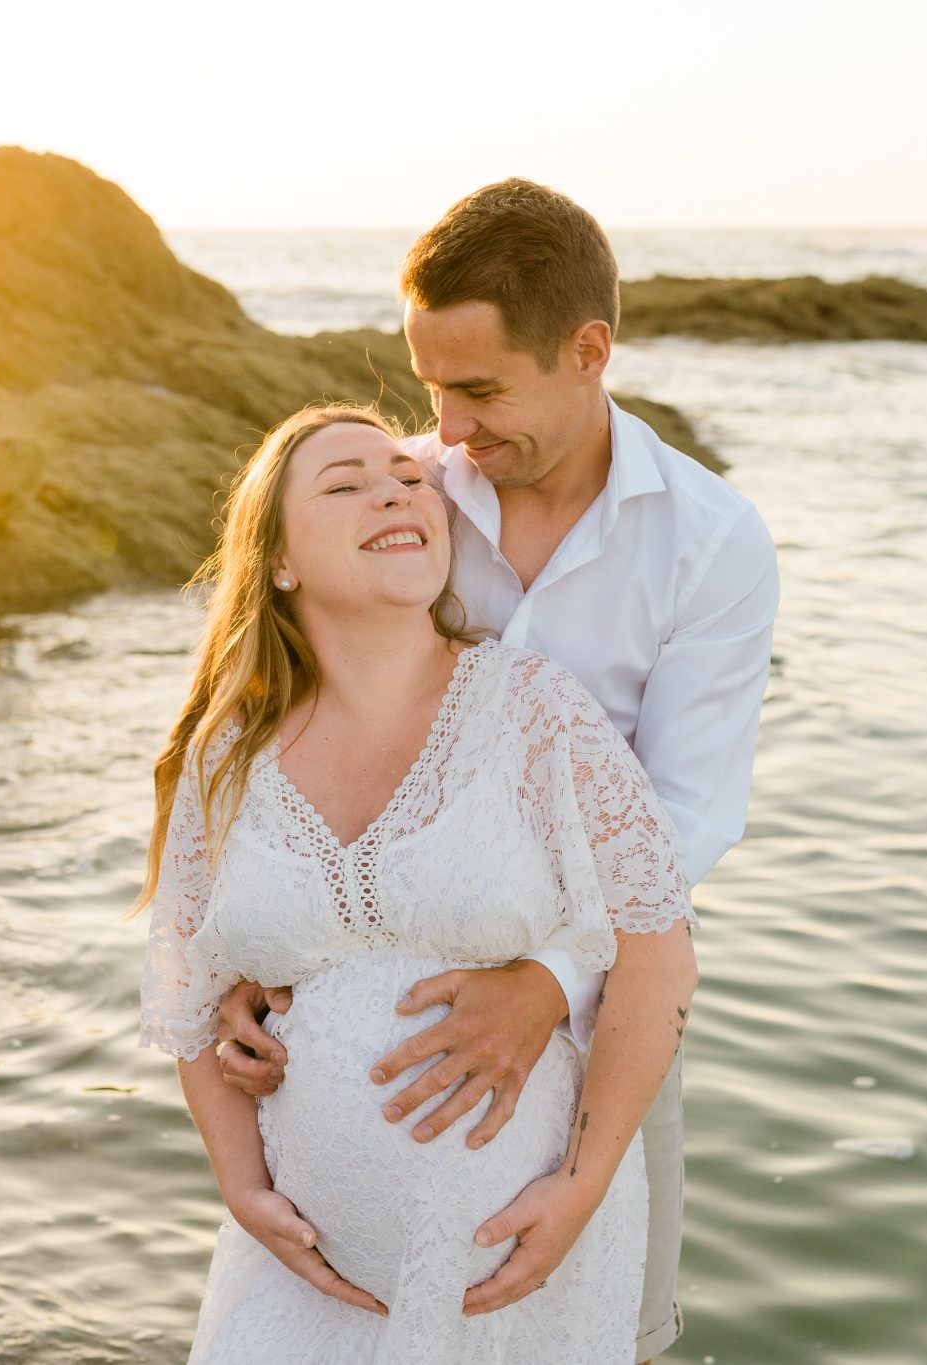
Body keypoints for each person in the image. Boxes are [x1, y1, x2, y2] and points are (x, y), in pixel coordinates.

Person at [209, 178, 780, 1362]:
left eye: (477, 390)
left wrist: (545, 983)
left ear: (587, 351)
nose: (448, 431)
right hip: (350, 1049)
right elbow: (269, 736)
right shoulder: (395, 500)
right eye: (429, 390)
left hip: (606, 998)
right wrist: (234, 970)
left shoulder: (710, 544)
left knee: (619, 1329)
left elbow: (680, 823)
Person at [134, 401, 698, 1361]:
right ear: (279, 560)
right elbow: (187, 991)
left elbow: (658, 948)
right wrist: (243, 1186)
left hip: (522, 1281)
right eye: (345, 484)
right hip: (299, 1281)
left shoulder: (534, 708)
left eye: (408, 478)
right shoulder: (227, 753)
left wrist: (582, 1183)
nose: (396, 491)